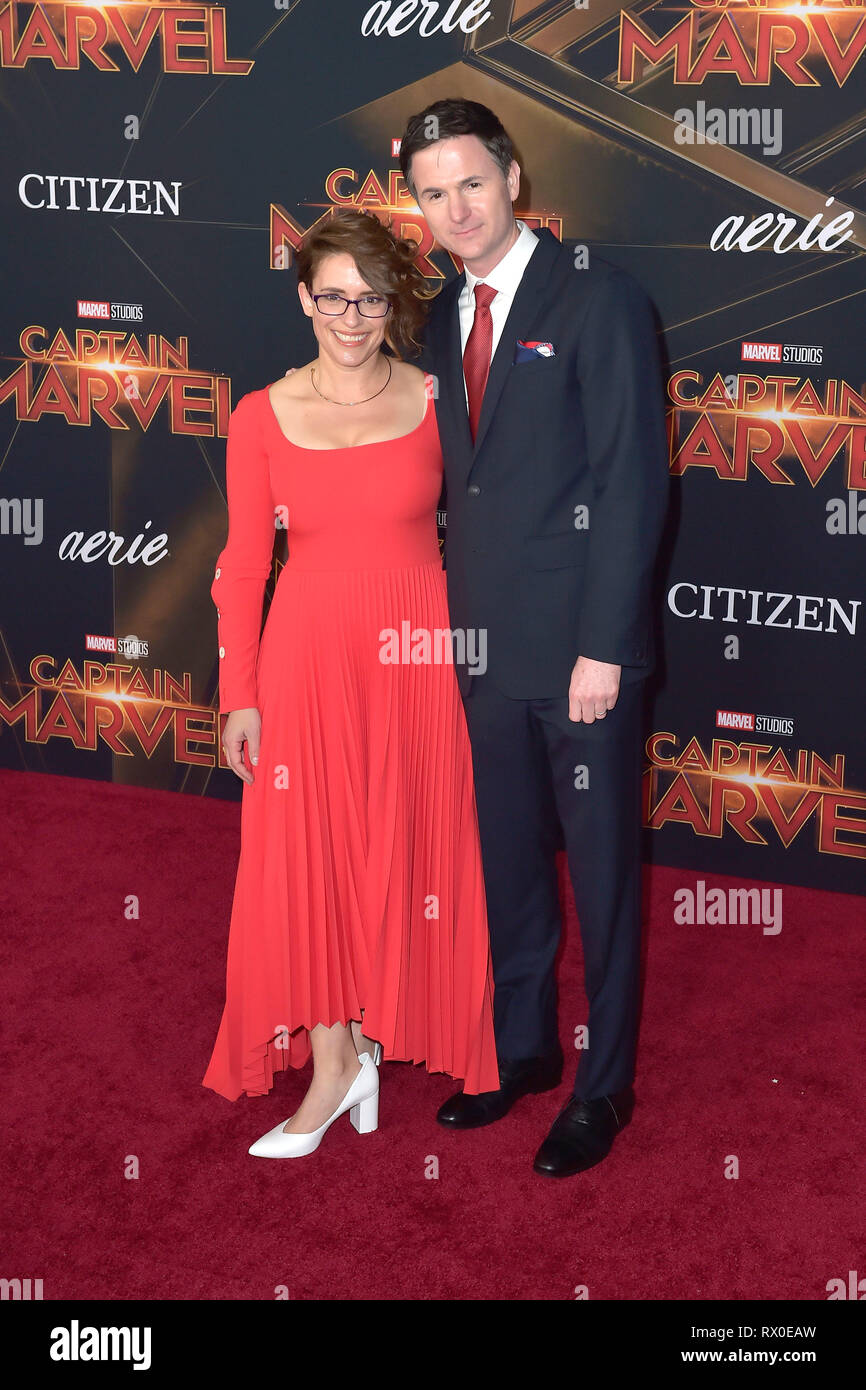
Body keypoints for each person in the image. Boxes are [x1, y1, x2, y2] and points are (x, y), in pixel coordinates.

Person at [397, 98, 671, 1176]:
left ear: (511, 176)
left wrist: (603, 649)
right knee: (505, 864)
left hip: (579, 658)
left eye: (470, 181)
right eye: (432, 191)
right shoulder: (434, 317)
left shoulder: (598, 301)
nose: (455, 207)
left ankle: (603, 1091)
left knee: (601, 881)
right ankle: (522, 1052)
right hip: (479, 652)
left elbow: (631, 484)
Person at [202, 206, 499, 1158]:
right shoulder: (260, 414)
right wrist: (238, 695)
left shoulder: (433, 399)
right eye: (332, 296)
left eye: (369, 297)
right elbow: (245, 565)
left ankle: (375, 1040)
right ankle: (334, 1064)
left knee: (405, 846)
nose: (351, 315)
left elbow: (491, 527)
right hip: (306, 661)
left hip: (416, 657)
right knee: (310, 853)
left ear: (393, 303)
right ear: (303, 298)